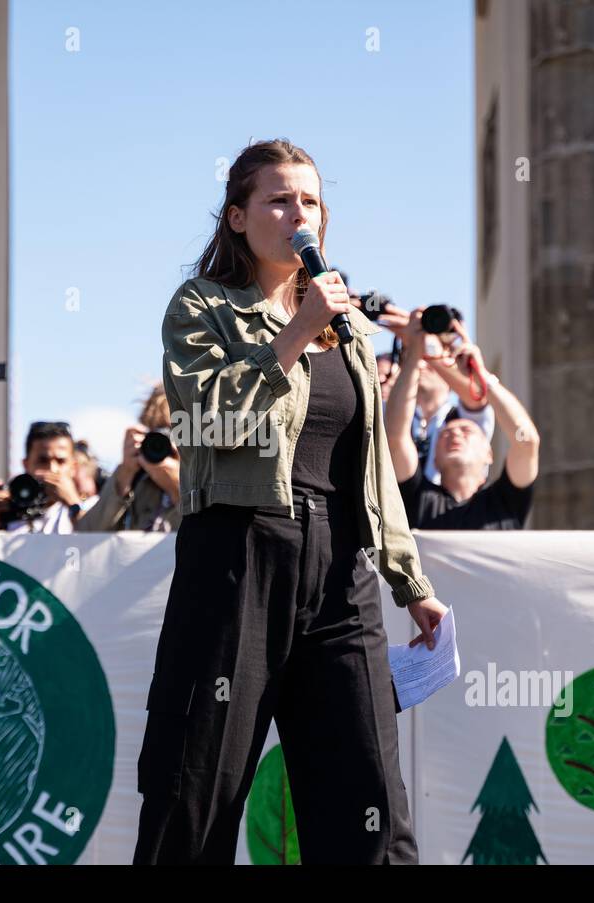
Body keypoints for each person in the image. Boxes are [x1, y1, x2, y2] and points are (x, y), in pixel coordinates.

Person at [135, 139, 447, 866]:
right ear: (238, 217)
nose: (297, 213)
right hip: (239, 558)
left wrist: (411, 581)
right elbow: (207, 424)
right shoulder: (203, 306)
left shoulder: (354, 332)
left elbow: (370, 471)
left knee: (371, 813)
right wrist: (293, 336)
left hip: (343, 576)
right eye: (279, 200)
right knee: (193, 797)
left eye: (309, 201)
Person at [384, 312, 540, 529]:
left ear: (489, 453)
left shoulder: (505, 503)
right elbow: (395, 438)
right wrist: (414, 354)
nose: (455, 433)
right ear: (434, 459)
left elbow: (526, 441)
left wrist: (482, 375)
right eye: (444, 435)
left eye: (466, 431)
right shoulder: (416, 500)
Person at [76, 384, 181, 532]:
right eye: (157, 431)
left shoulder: (206, 476)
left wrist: (177, 488)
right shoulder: (136, 476)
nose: (163, 440)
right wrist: (124, 475)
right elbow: (87, 533)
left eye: (174, 431)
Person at [0, 422, 93, 533]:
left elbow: (97, 543)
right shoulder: (10, 508)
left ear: (73, 467)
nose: (52, 469)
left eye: (61, 461)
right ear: (26, 465)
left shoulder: (91, 507)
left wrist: (73, 504)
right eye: (42, 461)